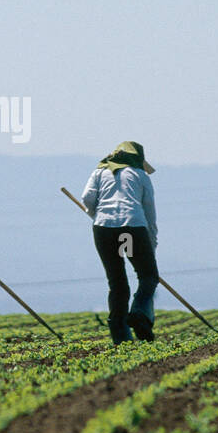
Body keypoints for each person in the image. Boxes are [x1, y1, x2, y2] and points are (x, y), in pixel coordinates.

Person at [82, 141, 159, 345]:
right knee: (148, 276)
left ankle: (120, 336)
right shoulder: (140, 175)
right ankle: (140, 314)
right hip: (131, 230)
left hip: (104, 231)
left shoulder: (99, 172)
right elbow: (149, 212)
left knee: (117, 283)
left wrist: (98, 216)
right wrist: (151, 243)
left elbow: (87, 198)